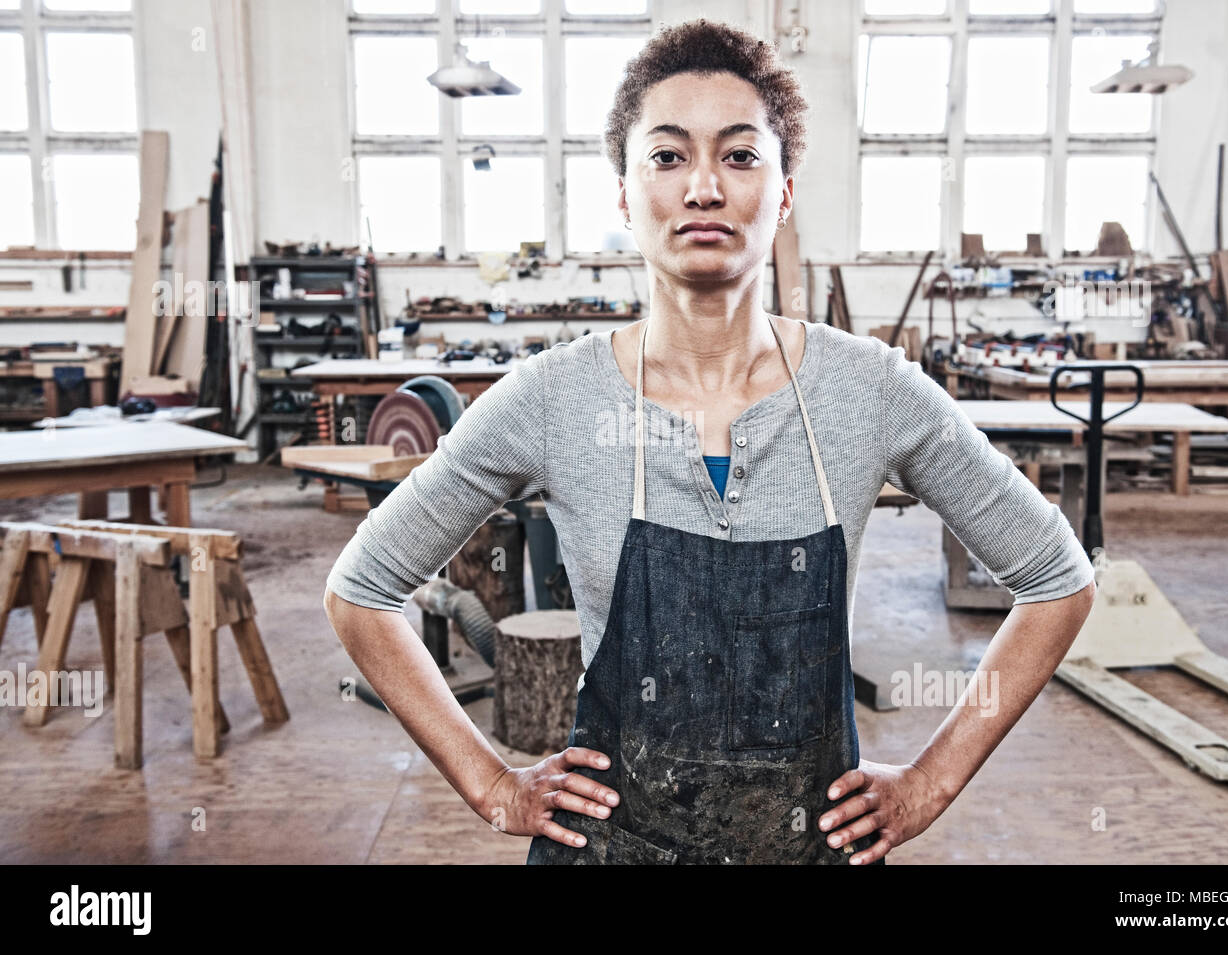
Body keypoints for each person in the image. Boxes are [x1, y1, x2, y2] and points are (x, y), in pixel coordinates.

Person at [324, 18, 1096, 865]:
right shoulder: (553, 398)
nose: (702, 188)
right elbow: (362, 591)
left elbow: (1056, 578)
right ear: (624, 195)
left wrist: (930, 781)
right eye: (666, 156)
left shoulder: (869, 390)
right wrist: (493, 783)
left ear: (785, 191)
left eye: (738, 155)